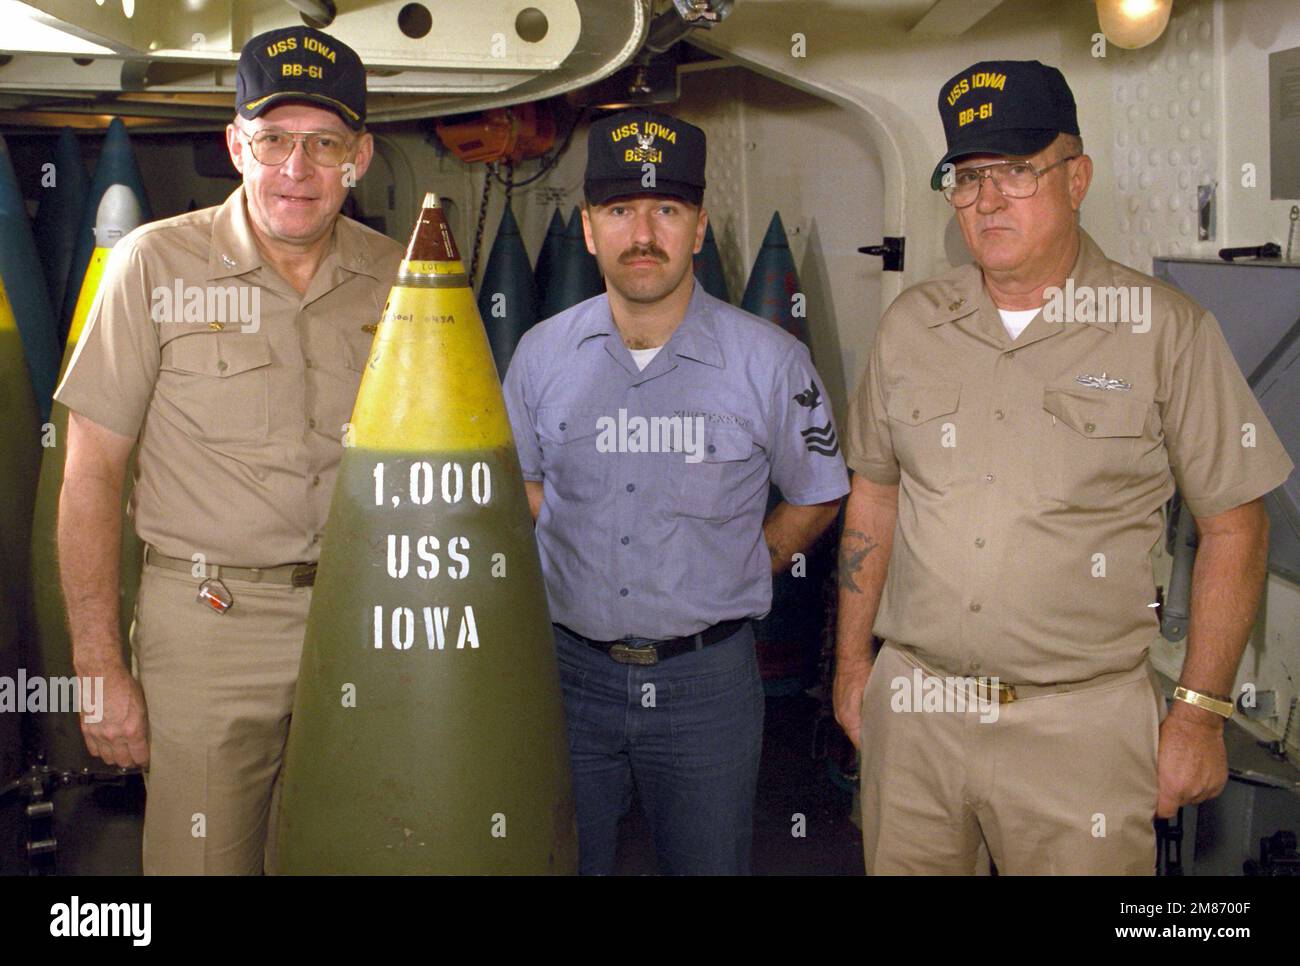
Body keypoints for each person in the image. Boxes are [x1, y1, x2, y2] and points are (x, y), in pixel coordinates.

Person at [833, 59, 1293, 875]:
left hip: (1080, 729)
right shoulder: (911, 326)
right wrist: (851, 667)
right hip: (916, 712)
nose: (988, 199)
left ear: (1076, 178)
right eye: (968, 177)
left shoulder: (1164, 330)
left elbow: (1236, 526)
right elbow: (875, 491)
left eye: (1016, 170)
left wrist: (1197, 716)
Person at [54, 26, 403, 874]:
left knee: (348, 855)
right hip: (212, 630)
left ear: (359, 157)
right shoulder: (153, 267)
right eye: (274, 139)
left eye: (325, 144)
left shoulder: (398, 277)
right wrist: (98, 670)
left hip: (359, 624)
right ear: (236, 145)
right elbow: (91, 476)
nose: (297, 168)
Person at [503, 109, 849, 874]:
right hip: (568, 676)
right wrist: (578, 544)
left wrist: (749, 559)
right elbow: (520, 485)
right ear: (588, 228)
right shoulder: (540, 356)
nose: (643, 234)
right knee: (560, 862)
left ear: (699, 228)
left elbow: (819, 490)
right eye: (619, 210)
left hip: (706, 685)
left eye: (667, 209)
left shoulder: (769, 362)